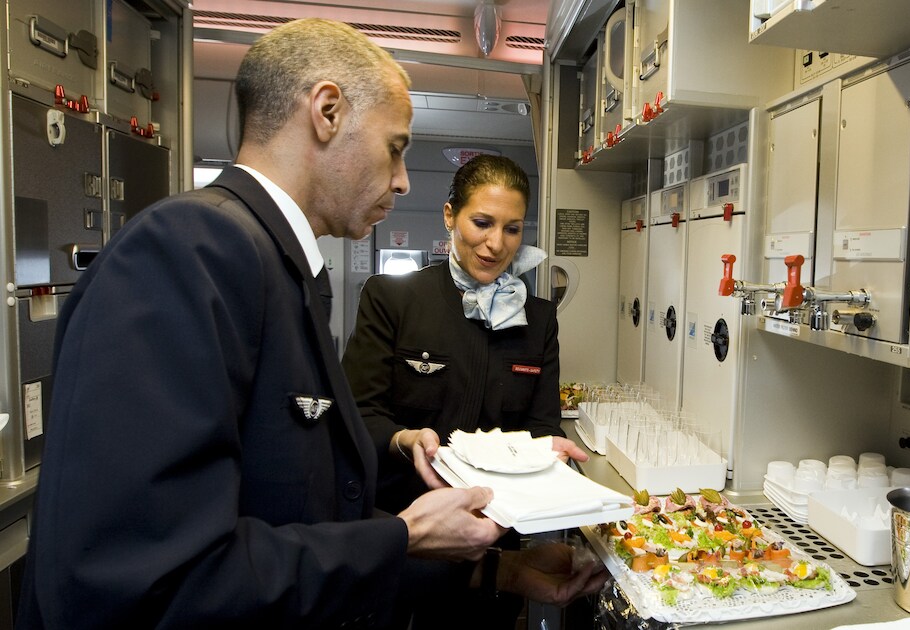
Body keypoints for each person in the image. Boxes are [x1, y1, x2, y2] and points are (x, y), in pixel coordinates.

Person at [17, 19, 605, 629]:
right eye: (395, 147)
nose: (402, 179)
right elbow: (151, 578)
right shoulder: (190, 249)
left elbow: (297, 516)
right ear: (327, 112)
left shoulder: (279, 268)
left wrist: (500, 571)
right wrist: (402, 535)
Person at [341, 155, 592, 628]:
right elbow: (357, 418)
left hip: (491, 544)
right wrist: (405, 440)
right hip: (399, 535)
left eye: (512, 229)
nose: (496, 243)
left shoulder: (538, 320)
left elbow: (542, 426)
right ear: (449, 216)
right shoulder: (393, 299)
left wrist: (548, 454)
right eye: (482, 223)